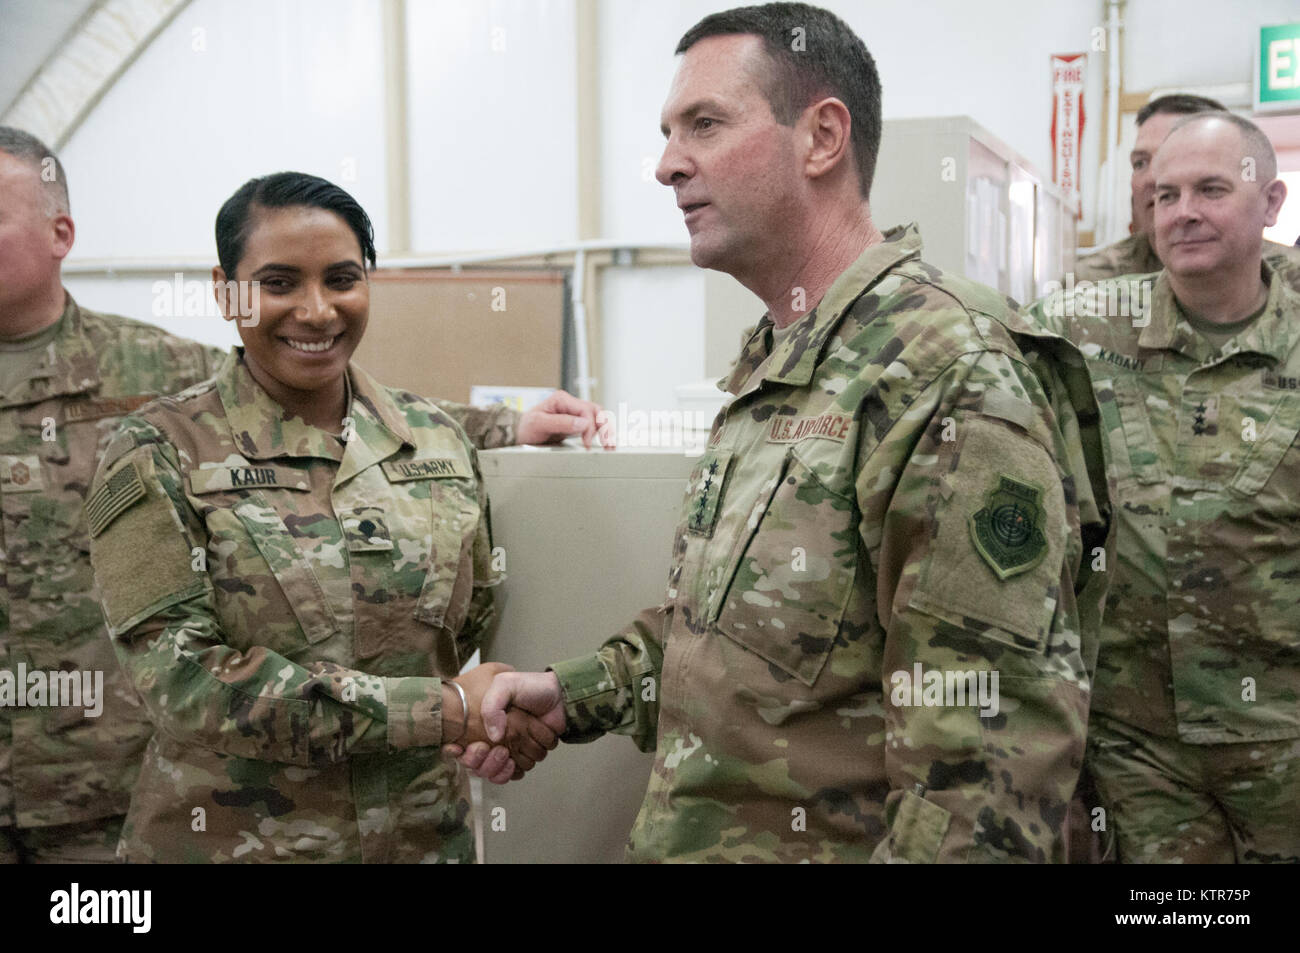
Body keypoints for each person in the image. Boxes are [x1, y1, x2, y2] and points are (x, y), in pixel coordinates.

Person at [452, 2, 1110, 863]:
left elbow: (982, 789)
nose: (664, 165)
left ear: (822, 137)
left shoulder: (945, 375)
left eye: (705, 124)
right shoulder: (782, 361)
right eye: (667, 131)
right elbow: (737, 643)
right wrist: (568, 694)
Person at [86, 172, 557, 862]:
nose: (317, 310)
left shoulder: (435, 439)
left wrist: (486, 722)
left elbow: (470, 626)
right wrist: (447, 709)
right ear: (227, 291)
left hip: (422, 841)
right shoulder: (159, 450)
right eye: (279, 283)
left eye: (342, 278)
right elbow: (184, 683)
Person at [1026, 112, 1300, 863]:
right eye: (1166, 194)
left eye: (1211, 189)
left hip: (1285, 730)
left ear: (1270, 203)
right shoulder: (1082, 326)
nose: (1182, 212)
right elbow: (961, 363)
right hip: (1141, 739)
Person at [0, 126, 224, 863]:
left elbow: (312, 399)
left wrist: (506, 421)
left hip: (103, 792)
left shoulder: (151, 369)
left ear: (60, 232)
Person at [1074, 94, 1300, 287]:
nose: (1155, 177)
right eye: (1140, 163)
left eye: (1174, 158)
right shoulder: (1088, 284)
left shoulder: (1290, 279)